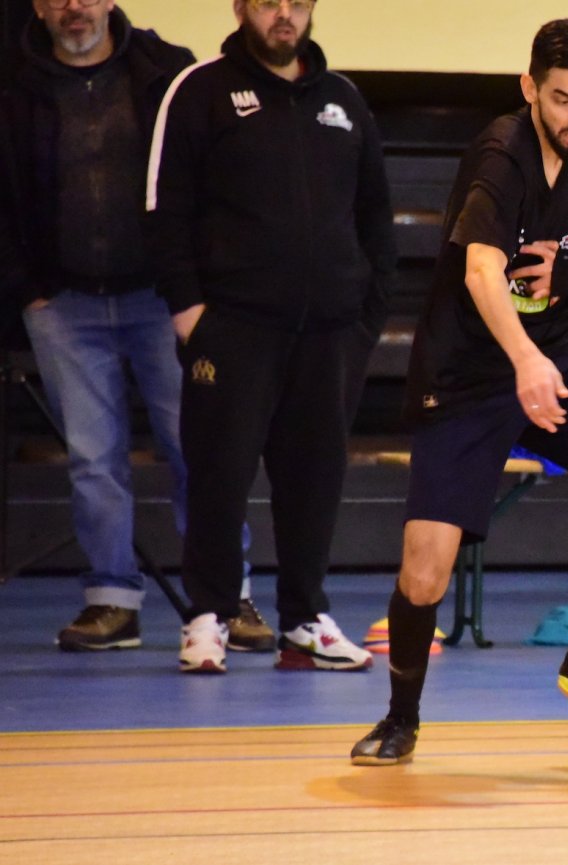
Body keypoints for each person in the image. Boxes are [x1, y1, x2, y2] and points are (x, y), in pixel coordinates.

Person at [350, 19, 568, 766]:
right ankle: (400, 719)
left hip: (552, 359)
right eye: (562, 99)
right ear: (529, 88)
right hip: (471, 377)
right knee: (424, 569)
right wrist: (522, 358)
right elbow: (483, 271)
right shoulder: (501, 152)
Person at [0, 0, 272, 652]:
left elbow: (205, 182)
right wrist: (27, 289)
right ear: (37, 4)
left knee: (201, 449)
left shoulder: (167, 72)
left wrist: (196, 288)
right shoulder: (10, 84)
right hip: (63, 303)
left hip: (162, 299)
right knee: (94, 461)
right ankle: (112, 601)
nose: (75, 7)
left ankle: (229, 598)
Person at [147, 0, 396, 673]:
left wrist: (365, 320)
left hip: (330, 334)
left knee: (314, 479)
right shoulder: (200, 90)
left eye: (296, 2)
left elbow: (376, 214)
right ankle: (208, 617)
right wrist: (191, 315)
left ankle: (305, 619)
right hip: (232, 329)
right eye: (267, 3)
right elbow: (164, 209)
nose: (283, 15)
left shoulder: (344, 100)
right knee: (219, 476)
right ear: (240, 8)